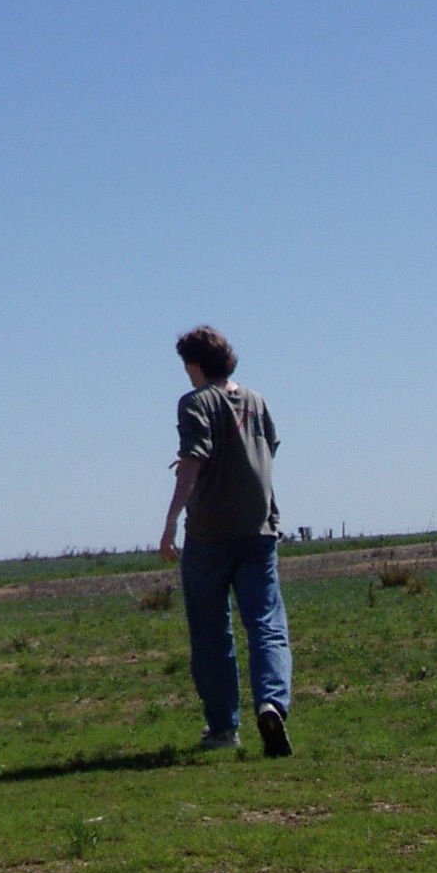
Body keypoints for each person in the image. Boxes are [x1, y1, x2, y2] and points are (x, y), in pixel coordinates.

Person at [159, 324, 294, 758]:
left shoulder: (195, 402)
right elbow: (267, 449)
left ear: (195, 365)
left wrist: (170, 520)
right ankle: (272, 703)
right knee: (266, 624)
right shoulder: (255, 400)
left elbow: (193, 460)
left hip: (209, 535)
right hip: (259, 530)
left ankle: (223, 727)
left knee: (211, 633)